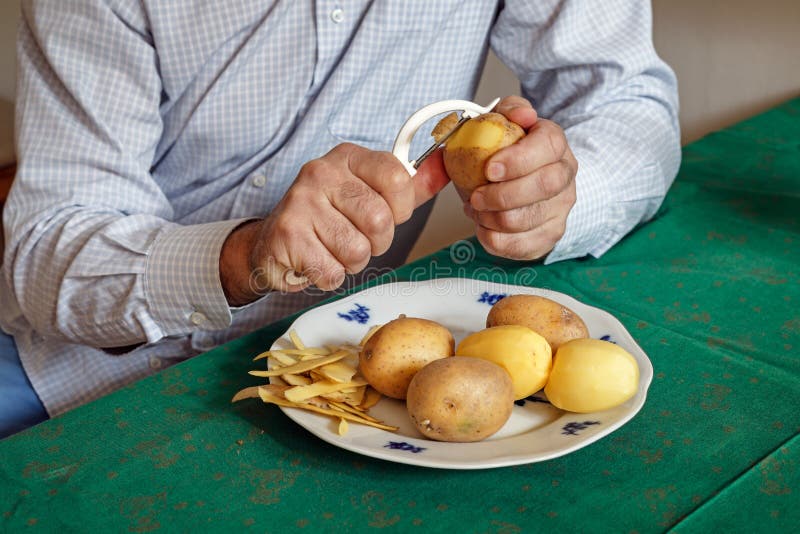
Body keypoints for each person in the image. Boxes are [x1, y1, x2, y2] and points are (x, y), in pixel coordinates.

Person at [0, 0, 680, 438]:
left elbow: (630, 102)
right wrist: (243, 258)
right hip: (69, 374)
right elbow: (52, 248)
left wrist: (555, 197)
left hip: (349, 370)